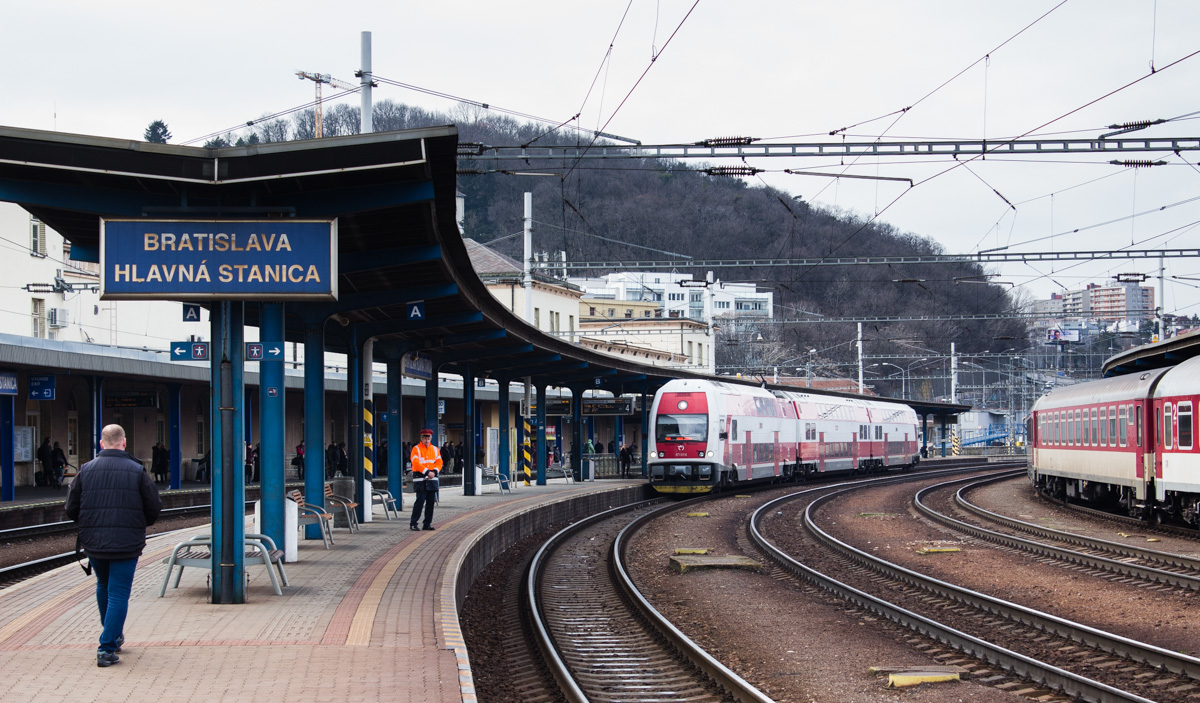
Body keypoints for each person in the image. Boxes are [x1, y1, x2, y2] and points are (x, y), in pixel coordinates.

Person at [65, 424, 161, 668]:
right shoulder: (137, 470)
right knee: (118, 593)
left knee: (103, 585)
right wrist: (139, 524)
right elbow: (154, 507)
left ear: (101, 443)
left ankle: (113, 634)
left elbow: (71, 507)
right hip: (126, 544)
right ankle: (107, 647)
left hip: (94, 543)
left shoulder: (85, 470)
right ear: (124, 443)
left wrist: (90, 524)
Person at [409, 428, 441, 531]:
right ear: (421, 438)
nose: (426, 440)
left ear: (431, 438)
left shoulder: (435, 449)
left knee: (430, 503)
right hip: (420, 479)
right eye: (424, 438)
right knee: (420, 501)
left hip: (432, 479)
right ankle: (413, 523)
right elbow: (416, 463)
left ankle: (427, 523)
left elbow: (439, 462)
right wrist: (427, 472)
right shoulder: (416, 449)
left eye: (428, 438)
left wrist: (435, 472)